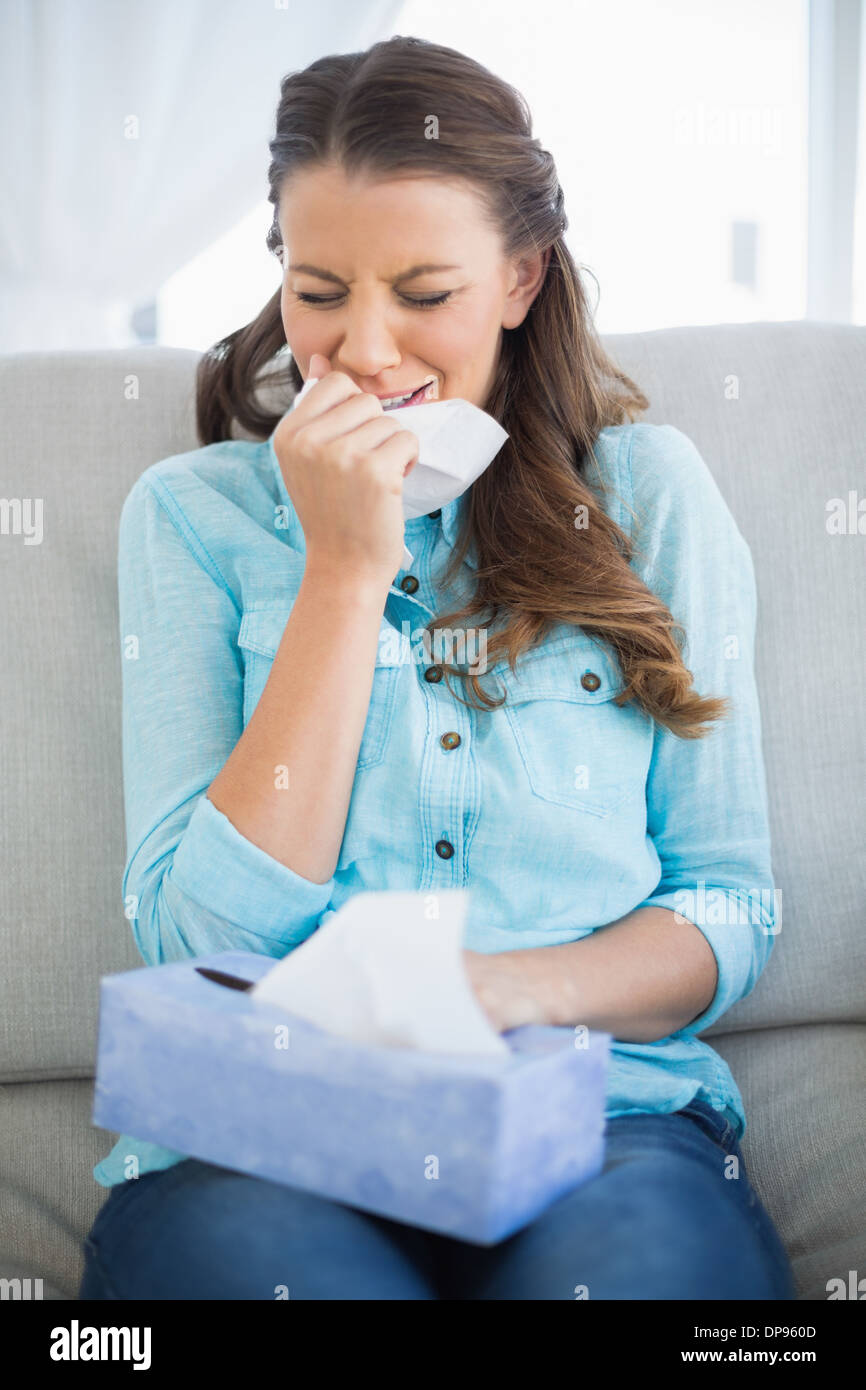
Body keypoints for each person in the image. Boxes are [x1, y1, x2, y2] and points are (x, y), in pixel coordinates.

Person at [80, 35, 795, 1301]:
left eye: (423, 292)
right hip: (263, 1134)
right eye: (318, 291)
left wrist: (503, 992)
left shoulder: (648, 497)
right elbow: (195, 934)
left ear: (519, 279)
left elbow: (726, 904)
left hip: (598, 1120)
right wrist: (344, 572)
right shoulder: (191, 518)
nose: (361, 350)